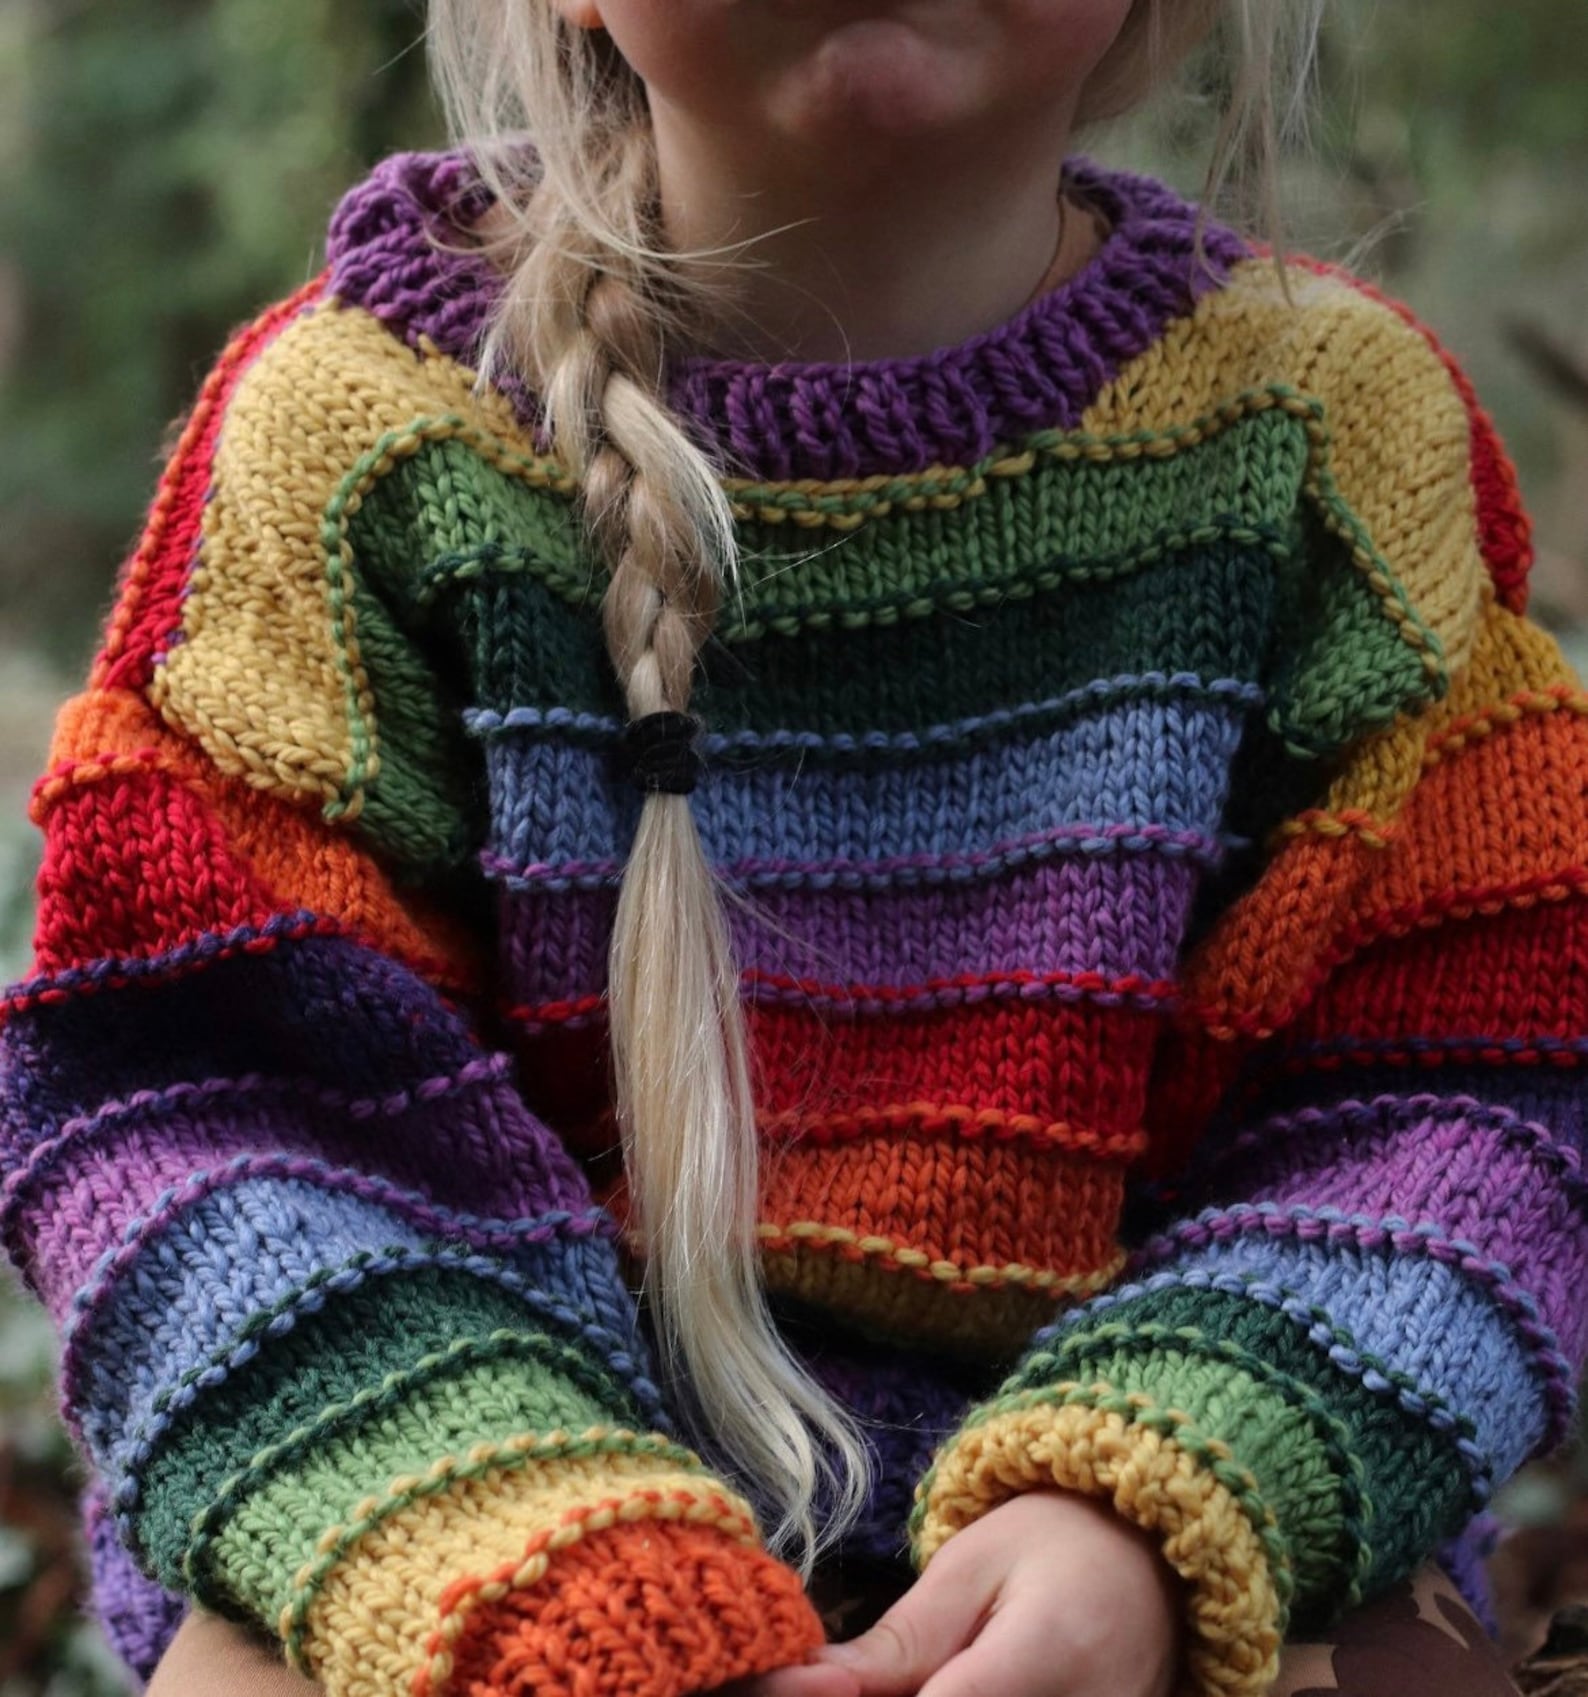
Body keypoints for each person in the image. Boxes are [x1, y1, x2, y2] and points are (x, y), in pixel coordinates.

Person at [2, 2, 1579, 1694]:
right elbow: (199, 1113)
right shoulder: (357, 440)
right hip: (451, 1528)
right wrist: (546, 1566)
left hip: (1178, 1517)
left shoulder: (1326, 435)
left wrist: (1159, 1496)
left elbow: (1483, 1076)